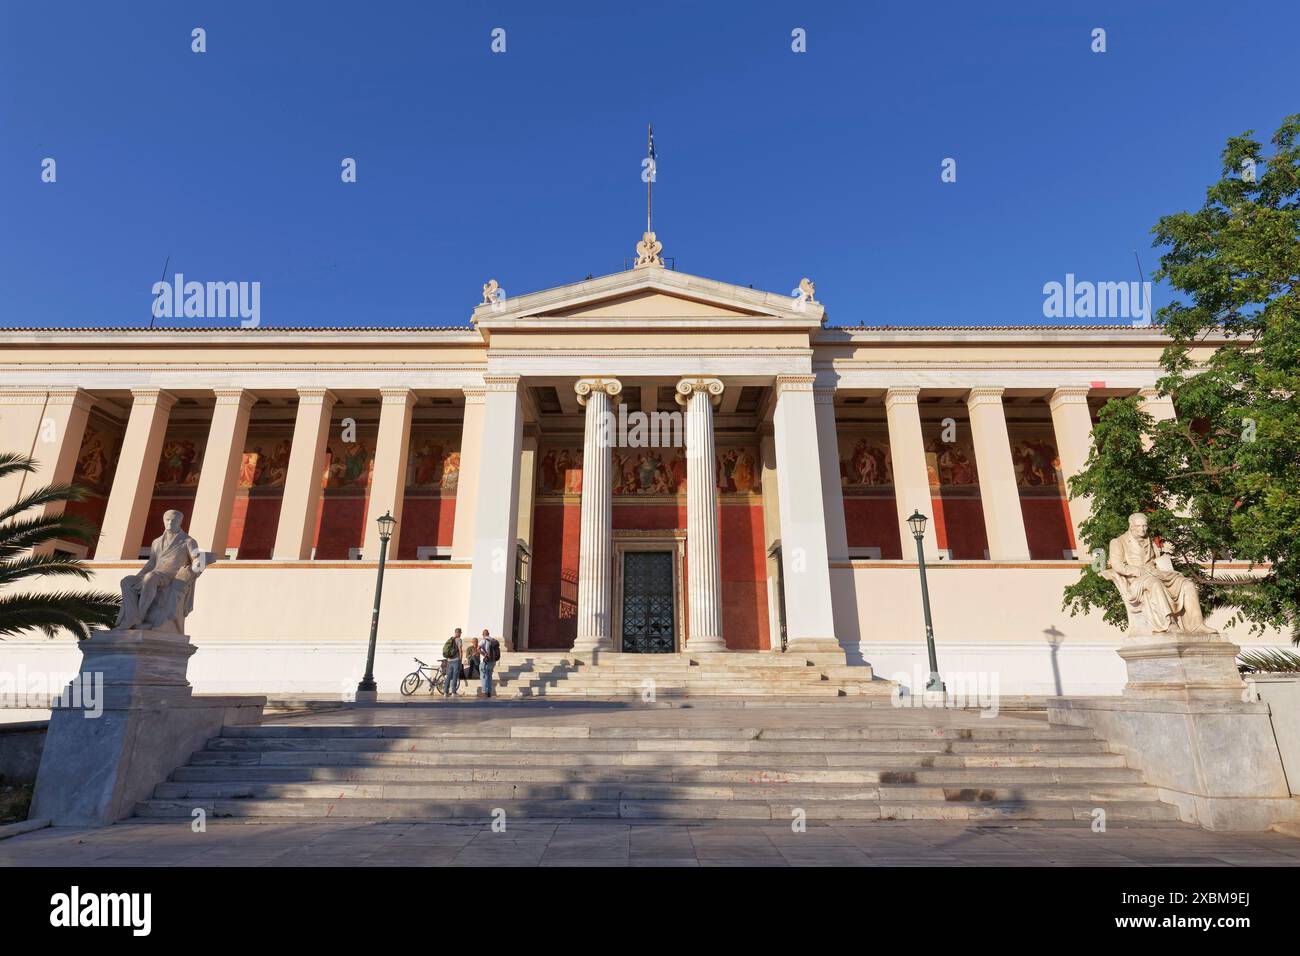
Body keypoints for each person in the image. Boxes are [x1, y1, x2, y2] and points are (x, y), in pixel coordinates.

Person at [479, 628, 501, 698]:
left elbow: (478, 649)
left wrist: (484, 655)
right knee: (489, 676)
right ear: (488, 634)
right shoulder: (493, 640)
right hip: (493, 661)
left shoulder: (483, 640)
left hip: (485, 661)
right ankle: (489, 692)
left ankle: (484, 692)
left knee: (484, 676)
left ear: (483, 634)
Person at [442, 628, 464, 697]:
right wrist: (460, 659)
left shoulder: (451, 639)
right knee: (455, 676)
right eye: (460, 633)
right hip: (455, 660)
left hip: (449, 660)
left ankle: (445, 692)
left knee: (448, 676)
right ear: (459, 633)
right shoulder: (459, 639)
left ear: (455, 632)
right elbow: (460, 650)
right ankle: (453, 692)